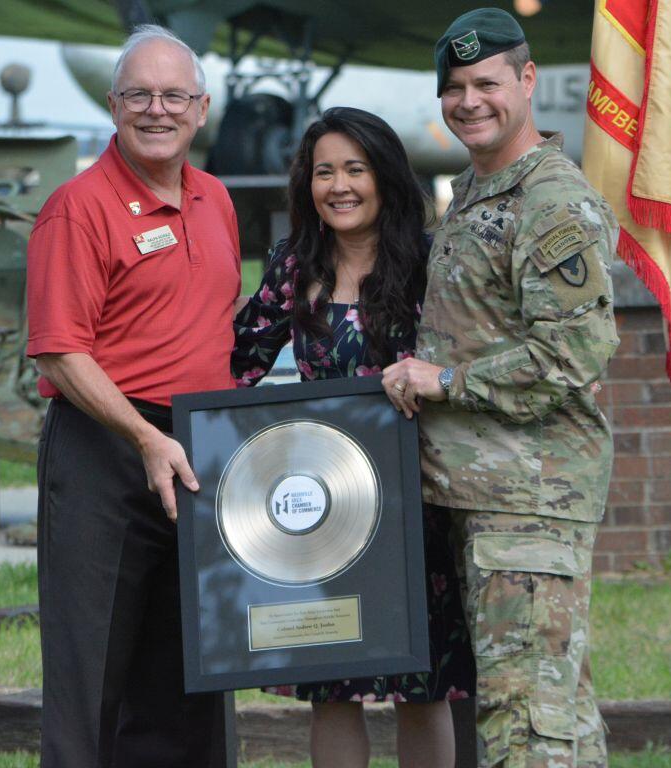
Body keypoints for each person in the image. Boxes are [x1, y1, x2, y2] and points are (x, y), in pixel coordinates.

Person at [380, 9, 621, 768]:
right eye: (454, 88)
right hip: (488, 495)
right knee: (553, 709)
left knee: (526, 721)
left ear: (527, 81)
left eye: (487, 83)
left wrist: (444, 380)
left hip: (529, 499)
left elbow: (574, 352)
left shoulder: (549, 201)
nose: (469, 101)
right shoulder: (480, 192)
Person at [232, 106, 475, 768]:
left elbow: (467, 368)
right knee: (333, 687)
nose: (338, 186)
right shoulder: (293, 264)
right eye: (324, 172)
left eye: (354, 169)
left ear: (385, 177)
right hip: (325, 508)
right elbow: (237, 366)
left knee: (423, 686)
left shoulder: (432, 261)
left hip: (418, 505)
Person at [26, 25, 239, 767]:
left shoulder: (215, 199)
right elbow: (58, 349)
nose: (157, 110)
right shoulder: (77, 208)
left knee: (195, 665)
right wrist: (145, 437)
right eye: (139, 95)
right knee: (93, 674)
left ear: (201, 109)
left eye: (174, 96)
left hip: (201, 449)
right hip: (108, 446)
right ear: (114, 106)